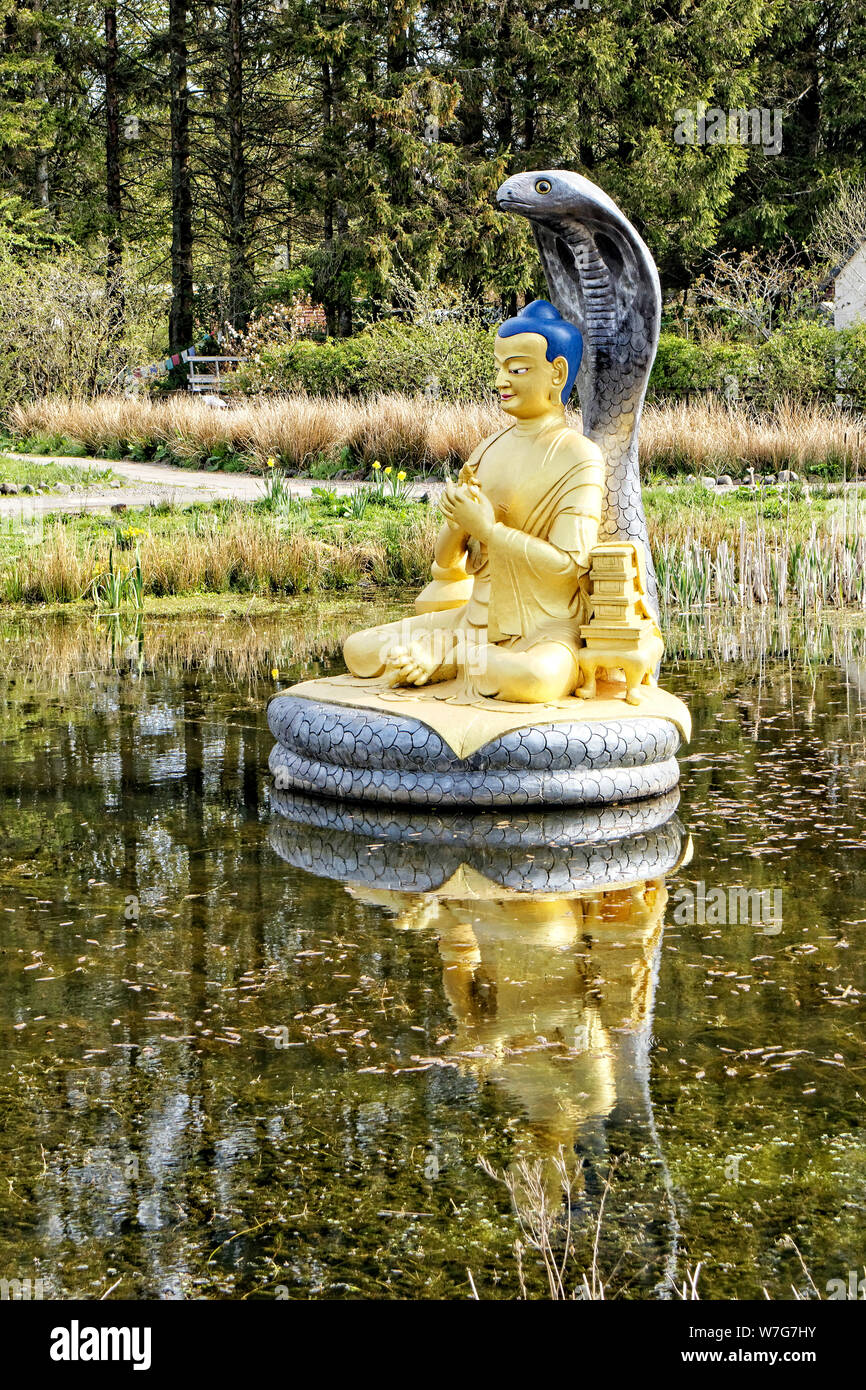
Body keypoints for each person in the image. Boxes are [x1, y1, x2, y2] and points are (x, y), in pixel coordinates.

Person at [343, 299, 605, 704]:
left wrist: (488, 529)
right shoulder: (487, 450)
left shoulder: (578, 455)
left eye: (517, 369)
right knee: (359, 648)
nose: (502, 380)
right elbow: (447, 565)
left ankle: (449, 661)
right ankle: (458, 655)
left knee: (534, 679)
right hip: (475, 619)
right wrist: (457, 522)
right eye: (499, 367)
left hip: (545, 629)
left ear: (557, 373)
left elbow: (569, 567)